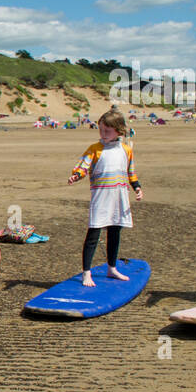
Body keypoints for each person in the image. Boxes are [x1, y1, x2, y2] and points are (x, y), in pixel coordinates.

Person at [67, 109, 143, 287]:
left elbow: (130, 172)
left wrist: (137, 187)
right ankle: (87, 273)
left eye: (107, 131)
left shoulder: (126, 150)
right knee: (93, 234)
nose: (103, 134)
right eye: (101, 130)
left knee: (115, 232)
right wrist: (76, 176)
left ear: (119, 130)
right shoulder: (95, 149)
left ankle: (112, 267)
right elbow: (83, 166)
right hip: (101, 198)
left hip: (119, 197)